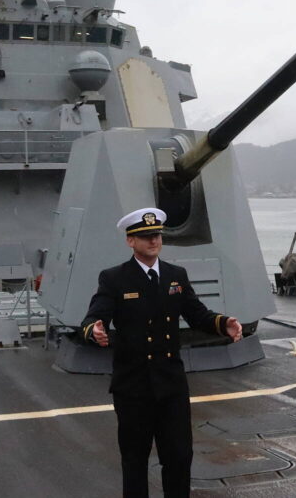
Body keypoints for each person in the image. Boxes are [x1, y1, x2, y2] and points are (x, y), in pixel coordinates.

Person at [81, 207, 243, 498]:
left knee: (179, 457)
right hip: (133, 387)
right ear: (131, 241)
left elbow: (197, 314)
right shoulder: (114, 278)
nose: (153, 241)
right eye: (145, 237)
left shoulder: (175, 275)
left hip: (171, 385)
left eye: (156, 235)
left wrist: (223, 324)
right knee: (135, 460)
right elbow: (95, 315)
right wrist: (94, 329)